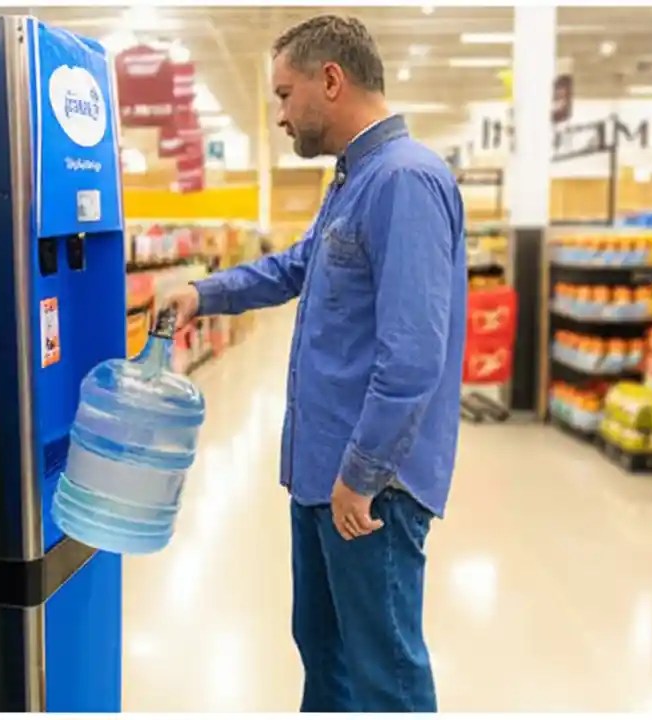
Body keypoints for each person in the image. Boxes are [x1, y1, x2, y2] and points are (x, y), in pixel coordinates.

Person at [162, 15, 467, 713]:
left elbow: (414, 353)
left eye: (283, 94)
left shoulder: (404, 181)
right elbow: (296, 266)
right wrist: (202, 292)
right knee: (324, 653)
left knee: (383, 673)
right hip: (324, 476)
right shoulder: (353, 180)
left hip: (369, 489)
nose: (278, 116)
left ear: (331, 80)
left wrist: (361, 477)